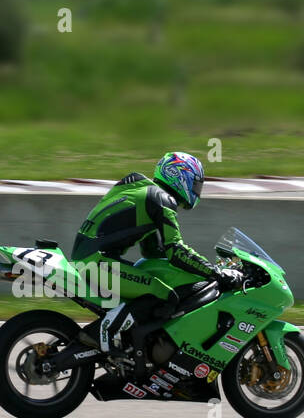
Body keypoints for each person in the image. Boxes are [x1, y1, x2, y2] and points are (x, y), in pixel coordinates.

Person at [70, 151, 244, 353]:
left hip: (93, 259)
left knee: (153, 282)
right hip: (96, 262)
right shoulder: (161, 198)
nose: (197, 190)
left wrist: (192, 270)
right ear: (179, 176)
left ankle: (131, 345)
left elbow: (153, 252)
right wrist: (216, 273)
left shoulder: (146, 192)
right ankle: (97, 334)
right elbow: (175, 250)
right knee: (163, 294)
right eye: (195, 184)